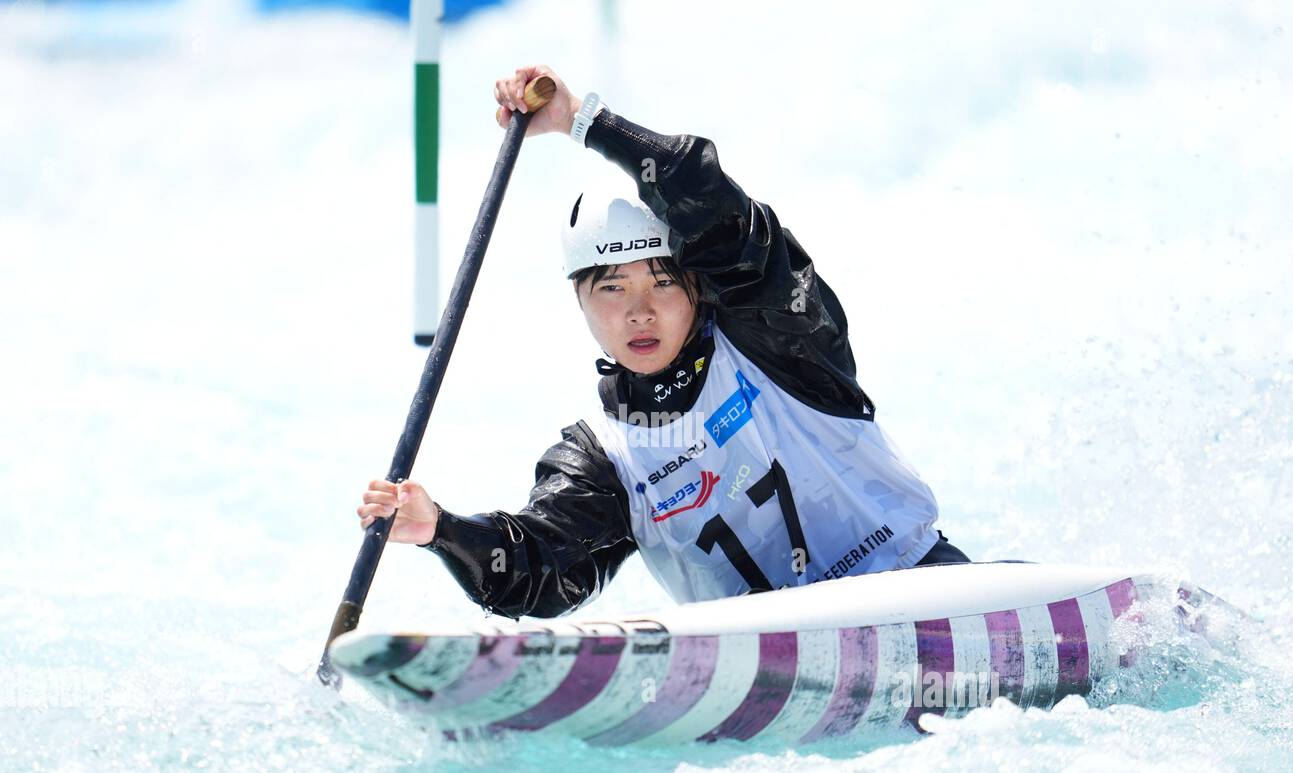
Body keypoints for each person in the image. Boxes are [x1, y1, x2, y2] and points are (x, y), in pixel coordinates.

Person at [357, 64, 969, 620]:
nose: (639, 313)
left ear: (698, 288)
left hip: (919, 589)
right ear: (580, 302)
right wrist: (441, 530)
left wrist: (583, 121)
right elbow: (541, 569)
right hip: (770, 666)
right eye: (612, 290)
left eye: (661, 284)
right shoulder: (606, 458)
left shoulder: (780, 338)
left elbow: (711, 204)